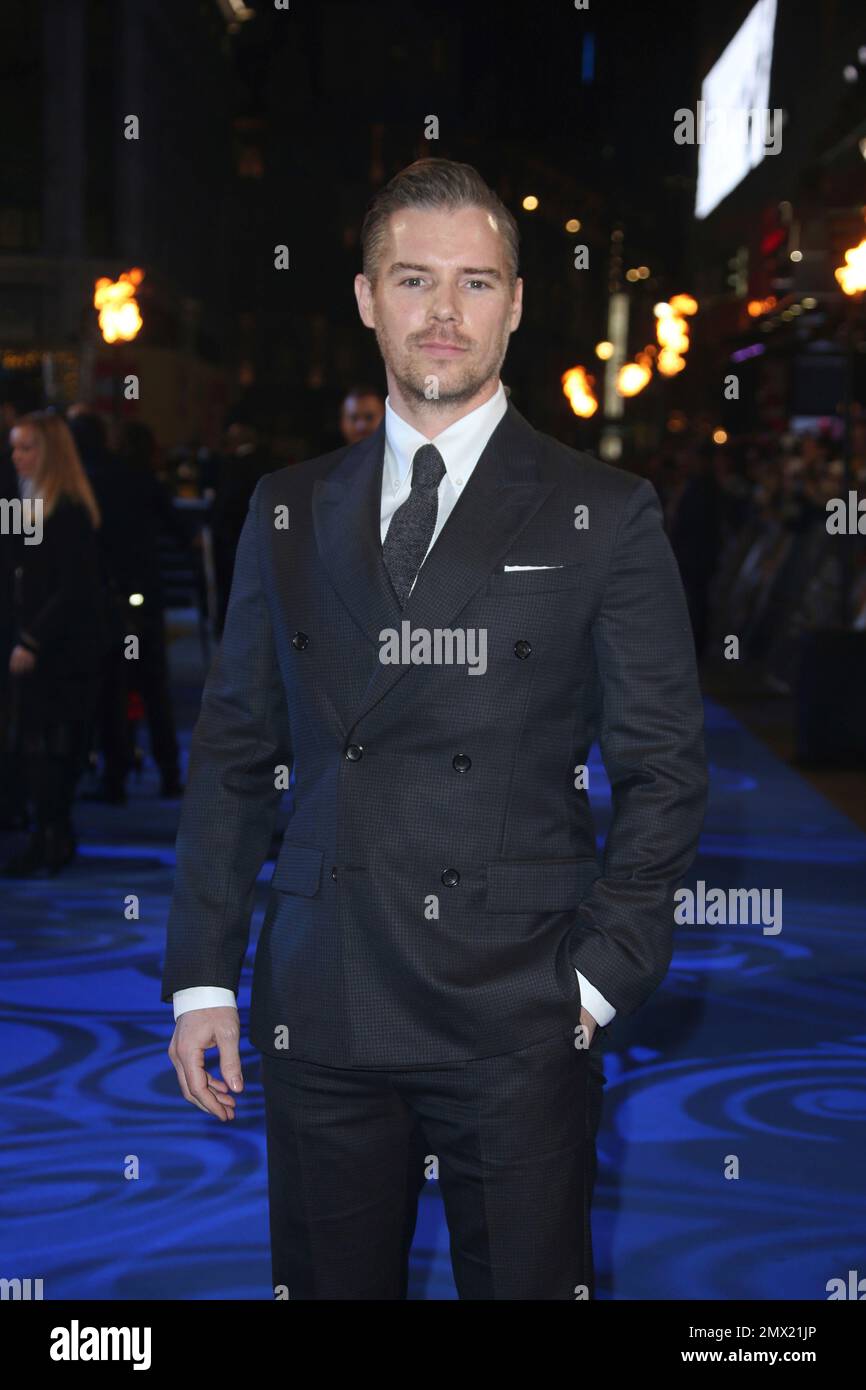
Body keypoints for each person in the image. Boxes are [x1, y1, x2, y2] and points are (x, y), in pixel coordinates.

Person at [163, 158, 708, 1300]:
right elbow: (233, 749)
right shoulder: (286, 505)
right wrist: (203, 978)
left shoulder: (602, 515)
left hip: (515, 1005)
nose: (443, 313)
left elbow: (662, 767)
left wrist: (599, 980)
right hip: (325, 996)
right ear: (366, 298)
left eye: (475, 282)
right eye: (414, 279)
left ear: (514, 302)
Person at [3, 411, 105, 875]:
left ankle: (54, 835)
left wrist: (33, 639)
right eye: (14, 447)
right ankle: (44, 835)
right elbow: (13, 566)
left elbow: (74, 587)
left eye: (26, 448)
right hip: (32, 640)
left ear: (49, 452)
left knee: (53, 744)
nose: (16, 457)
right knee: (33, 743)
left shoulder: (68, 507)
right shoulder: (23, 499)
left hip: (62, 647)